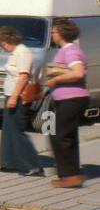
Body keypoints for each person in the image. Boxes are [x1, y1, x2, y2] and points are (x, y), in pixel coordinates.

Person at [42, 18, 89, 189]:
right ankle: (72, 173)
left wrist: (56, 81)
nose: (52, 35)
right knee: (66, 135)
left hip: (72, 99)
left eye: (53, 32)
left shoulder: (70, 51)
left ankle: (69, 176)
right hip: (68, 99)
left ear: (61, 33)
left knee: (60, 135)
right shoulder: (68, 50)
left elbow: (78, 73)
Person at [0, 26, 42, 175]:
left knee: (17, 131)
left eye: (1, 44)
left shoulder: (22, 52)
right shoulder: (15, 52)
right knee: (8, 129)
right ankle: (9, 162)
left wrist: (14, 97)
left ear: (8, 40)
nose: (1, 47)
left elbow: (23, 76)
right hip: (11, 94)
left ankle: (32, 165)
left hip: (19, 96)